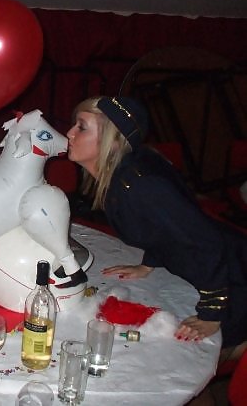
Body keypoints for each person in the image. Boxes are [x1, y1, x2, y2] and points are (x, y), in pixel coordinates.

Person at [66, 96, 247, 360]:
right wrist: (149, 263)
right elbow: (164, 226)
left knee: (185, 358)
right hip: (207, 271)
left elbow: (207, 242)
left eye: (81, 127)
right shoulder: (126, 174)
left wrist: (212, 311)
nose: (70, 133)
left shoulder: (140, 185)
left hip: (231, 280)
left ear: (112, 141)